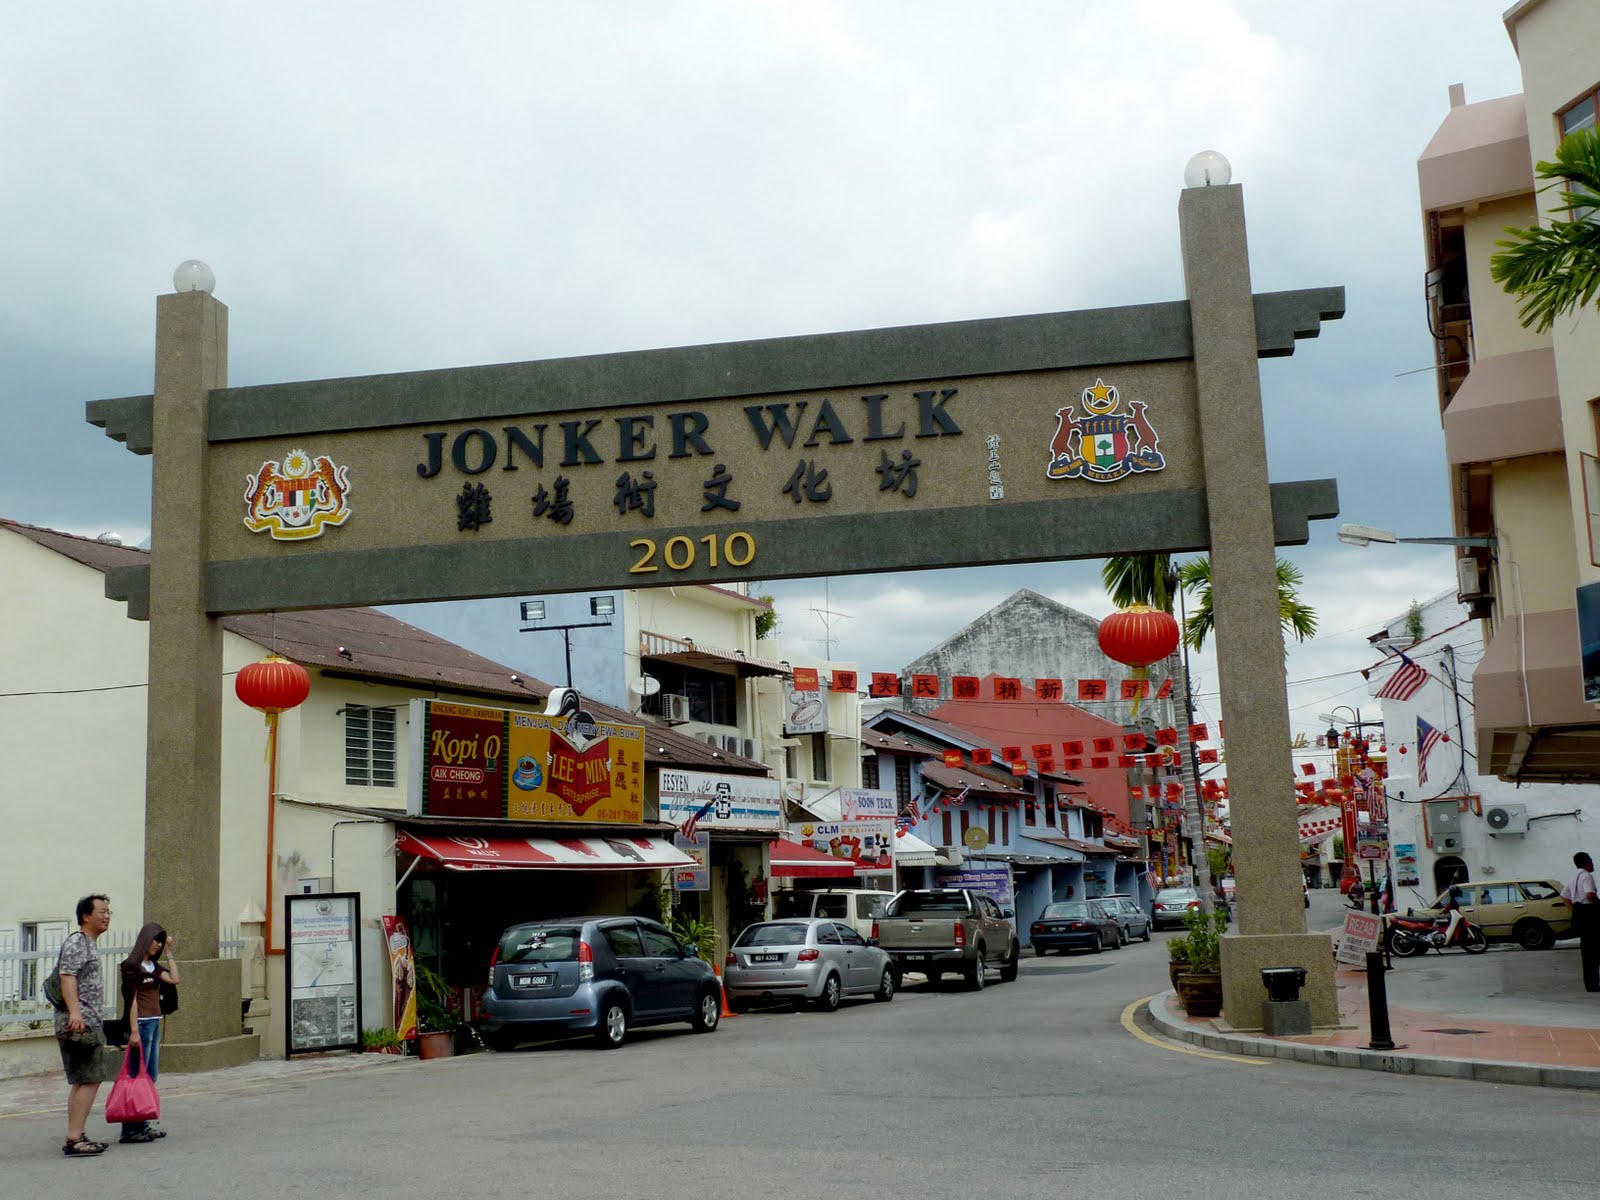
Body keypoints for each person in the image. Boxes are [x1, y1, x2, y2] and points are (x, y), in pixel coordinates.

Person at [56, 893, 113, 1157]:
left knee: (83, 1079)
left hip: (85, 1020)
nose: (107, 916)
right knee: (90, 1078)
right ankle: (75, 1138)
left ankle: (75, 1134)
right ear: (86, 916)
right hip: (81, 1022)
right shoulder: (78, 942)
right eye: (102, 911)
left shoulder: (88, 943)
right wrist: (75, 1013)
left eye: (109, 912)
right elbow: (67, 976)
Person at [116, 923, 179, 1143]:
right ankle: (130, 1129)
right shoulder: (132, 966)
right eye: (155, 940)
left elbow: (175, 979)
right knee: (136, 1076)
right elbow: (131, 1000)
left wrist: (169, 954)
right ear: (145, 939)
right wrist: (133, 1030)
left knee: (149, 1076)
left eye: (161, 941)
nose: (158, 944)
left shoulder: (154, 966)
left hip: (154, 1022)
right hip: (141, 1025)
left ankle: (142, 1124)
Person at [1560, 851, 1599, 992]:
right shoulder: (1587, 876)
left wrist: (1574, 910)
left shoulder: (1574, 877)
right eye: (1591, 861)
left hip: (1580, 914)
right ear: (1587, 862)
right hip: (1590, 914)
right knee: (1594, 948)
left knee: (1587, 950)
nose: (1593, 863)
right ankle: (1594, 982)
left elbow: (1564, 896)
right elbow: (1590, 894)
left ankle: (1590, 983)